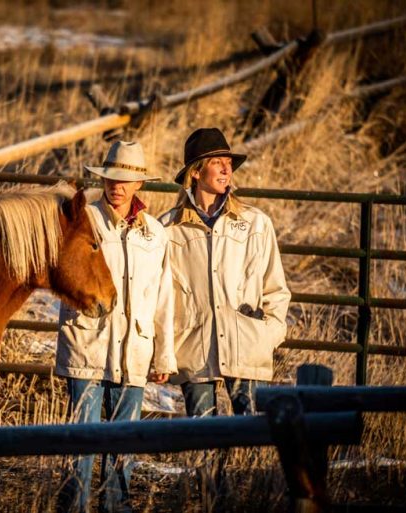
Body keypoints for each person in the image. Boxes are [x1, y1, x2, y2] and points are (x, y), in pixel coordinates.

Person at [160, 128, 291, 505]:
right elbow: (162, 295)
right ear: (196, 171)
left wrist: (270, 334)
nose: (226, 168)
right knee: (203, 433)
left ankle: (253, 498)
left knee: (249, 427)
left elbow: (276, 288)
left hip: (245, 343)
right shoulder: (169, 228)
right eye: (216, 162)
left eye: (228, 162)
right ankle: (211, 500)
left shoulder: (255, 223)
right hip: (194, 344)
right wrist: (165, 348)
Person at [55, 140, 176, 513]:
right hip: (88, 343)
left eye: (125, 180)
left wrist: (163, 356)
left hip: (134, 349)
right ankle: (74, 507)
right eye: (110, 178)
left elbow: (163, 295)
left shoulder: (155, 233)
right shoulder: (83, 220)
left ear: (139, 184)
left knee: (122, 446)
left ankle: (114, 507)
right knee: (82, 444)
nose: (116, 186)